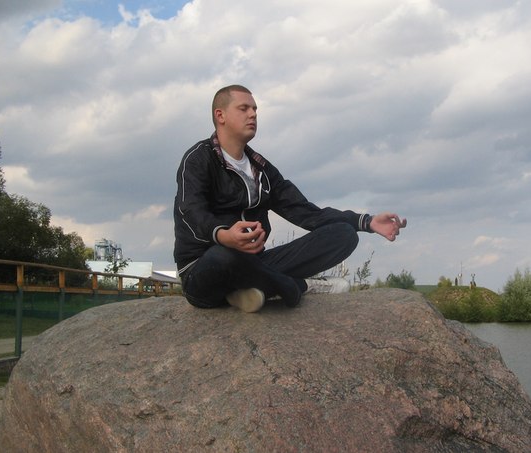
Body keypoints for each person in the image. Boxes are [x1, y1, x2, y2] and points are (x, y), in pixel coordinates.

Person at [174, 85, 406, 313]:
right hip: (204, 269)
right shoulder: (198, 159)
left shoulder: (261, 168)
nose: (253, 114)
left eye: (255, 109)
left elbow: (305, 212)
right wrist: (224, 236)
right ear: (220, 115)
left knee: (344, 234)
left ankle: (249, 290)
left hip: (256, 263)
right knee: (223, 256)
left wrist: (366, 222)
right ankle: (299, 286)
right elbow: (191, 211)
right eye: (244, 108)